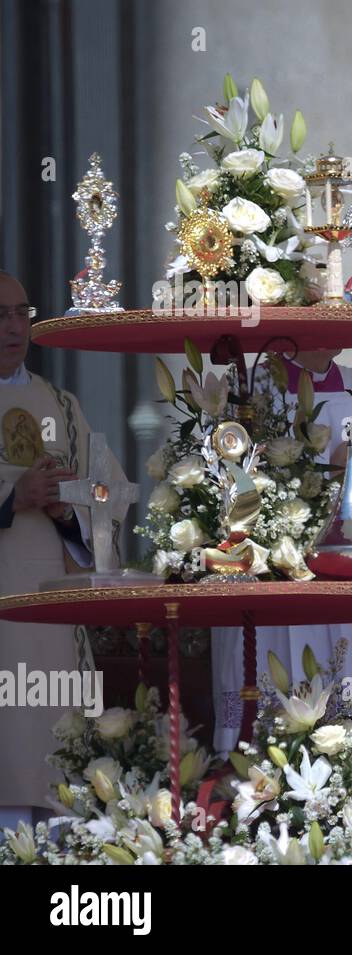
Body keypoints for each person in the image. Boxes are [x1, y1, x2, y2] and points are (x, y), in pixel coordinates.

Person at [211, 348, 352, 769]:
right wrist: (323, 478)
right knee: (276, 737)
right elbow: (225, 499)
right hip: (280, 587)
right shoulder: (246, 394)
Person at [0, 271, 128, 829]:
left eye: (20, 313)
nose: (12, 327)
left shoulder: (61, 404)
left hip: (52, 618)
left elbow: (111, 495)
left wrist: (67, 510)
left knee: (56, 778)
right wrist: (12, 496)